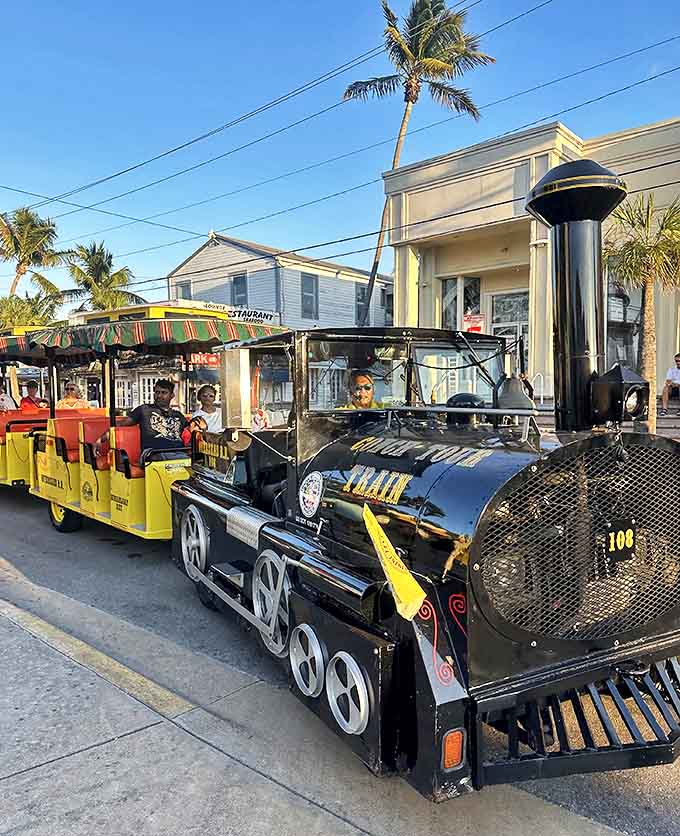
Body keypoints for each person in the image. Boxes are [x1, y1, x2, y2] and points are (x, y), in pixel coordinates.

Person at [94, 378, 188, 458]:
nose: (159, 396)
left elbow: (190, 431)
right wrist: (100, 439)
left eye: (164, 393)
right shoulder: (144, 410)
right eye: (157, 392)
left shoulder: (178, 415)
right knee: (180, 460)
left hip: (178, 451)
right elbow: (120, 425)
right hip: (152, 454)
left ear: (172, 395)